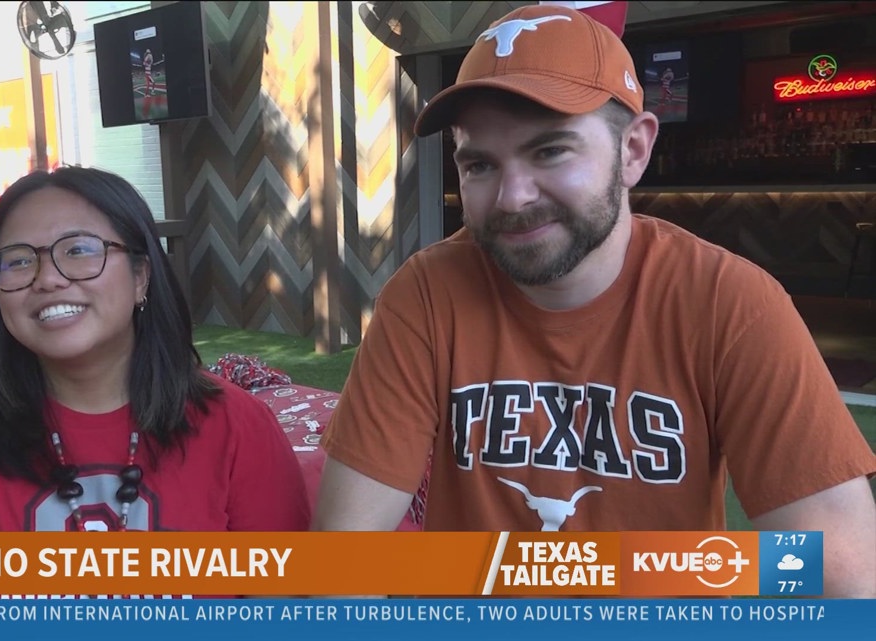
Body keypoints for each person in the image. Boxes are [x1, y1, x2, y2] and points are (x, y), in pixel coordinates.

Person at [311, 5, 876, 597]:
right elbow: (344, 555)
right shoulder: (425, 297)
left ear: (633, 150)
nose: (512, 197)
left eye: (550, 151)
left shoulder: (730, 305)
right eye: (480, 164)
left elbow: (840, 577)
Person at [0, 166, 309, 546]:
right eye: (20, 261)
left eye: (78, 250)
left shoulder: (238, 428)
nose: (49, 279)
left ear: (140, 276)